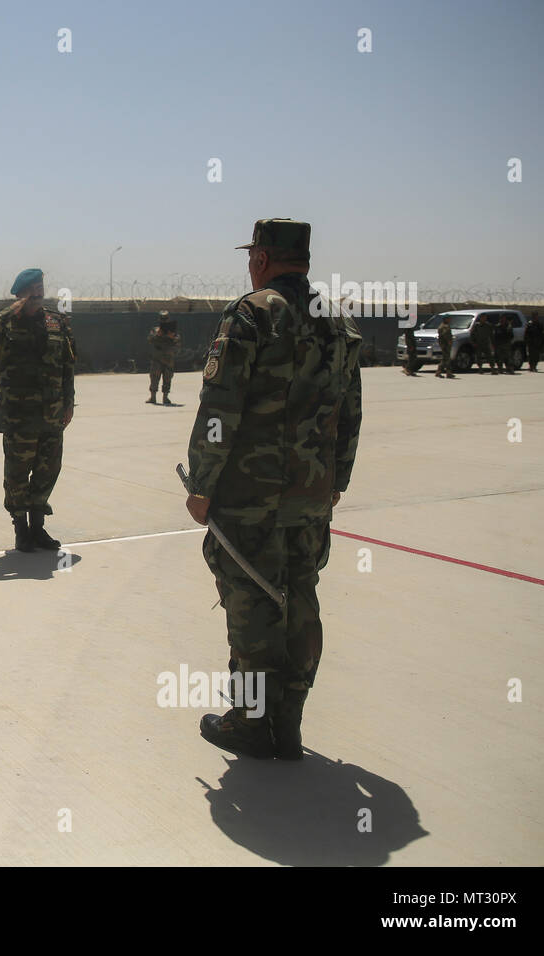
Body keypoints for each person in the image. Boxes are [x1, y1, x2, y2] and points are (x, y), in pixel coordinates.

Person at [186, 219, 362, 761]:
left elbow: (220, 408)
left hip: (250, 496)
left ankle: (250, 723)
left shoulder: (254, 312)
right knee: (300, 599)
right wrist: (338, 480)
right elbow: (349, 409)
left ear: (261, 258)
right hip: (310, 494)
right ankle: (287, 722)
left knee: (254, 605)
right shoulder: (335, 319)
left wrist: (202, 481)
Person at [0, 268, 75, 553]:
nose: (38, 292)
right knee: (18, 474)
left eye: (40, 287)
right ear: (19, 293)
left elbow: (68, 366)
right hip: (18, 416)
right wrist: (10, 312)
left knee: (49, 470)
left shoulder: (56, 323)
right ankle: (21, 529)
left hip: (52, 414)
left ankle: (38, 528)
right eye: (31, 289)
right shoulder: (5, 323)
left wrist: (69, 402)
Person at [148, 312, 181, 404]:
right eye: (162, 319)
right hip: (157, 359)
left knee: (167, 378)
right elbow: (150, 339)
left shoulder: (173, 333)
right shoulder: (155, 330)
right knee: (154, 377)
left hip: (168, 359)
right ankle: (153, 397)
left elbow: (177, 343)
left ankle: (165, 397)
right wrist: (158, 335)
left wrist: (171, 337)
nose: (164, 320)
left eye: (165, 319)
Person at [435, 313, 454, 378]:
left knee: (446, 358)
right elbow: (446, 335)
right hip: (445, 345)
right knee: (446, 359)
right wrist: (449, 341)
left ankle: (448, 373)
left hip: (444, 344)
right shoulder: (445, 326)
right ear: (445, 319)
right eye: (449, 318)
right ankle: (440, 372)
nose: (450, 320)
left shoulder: (443, 325)